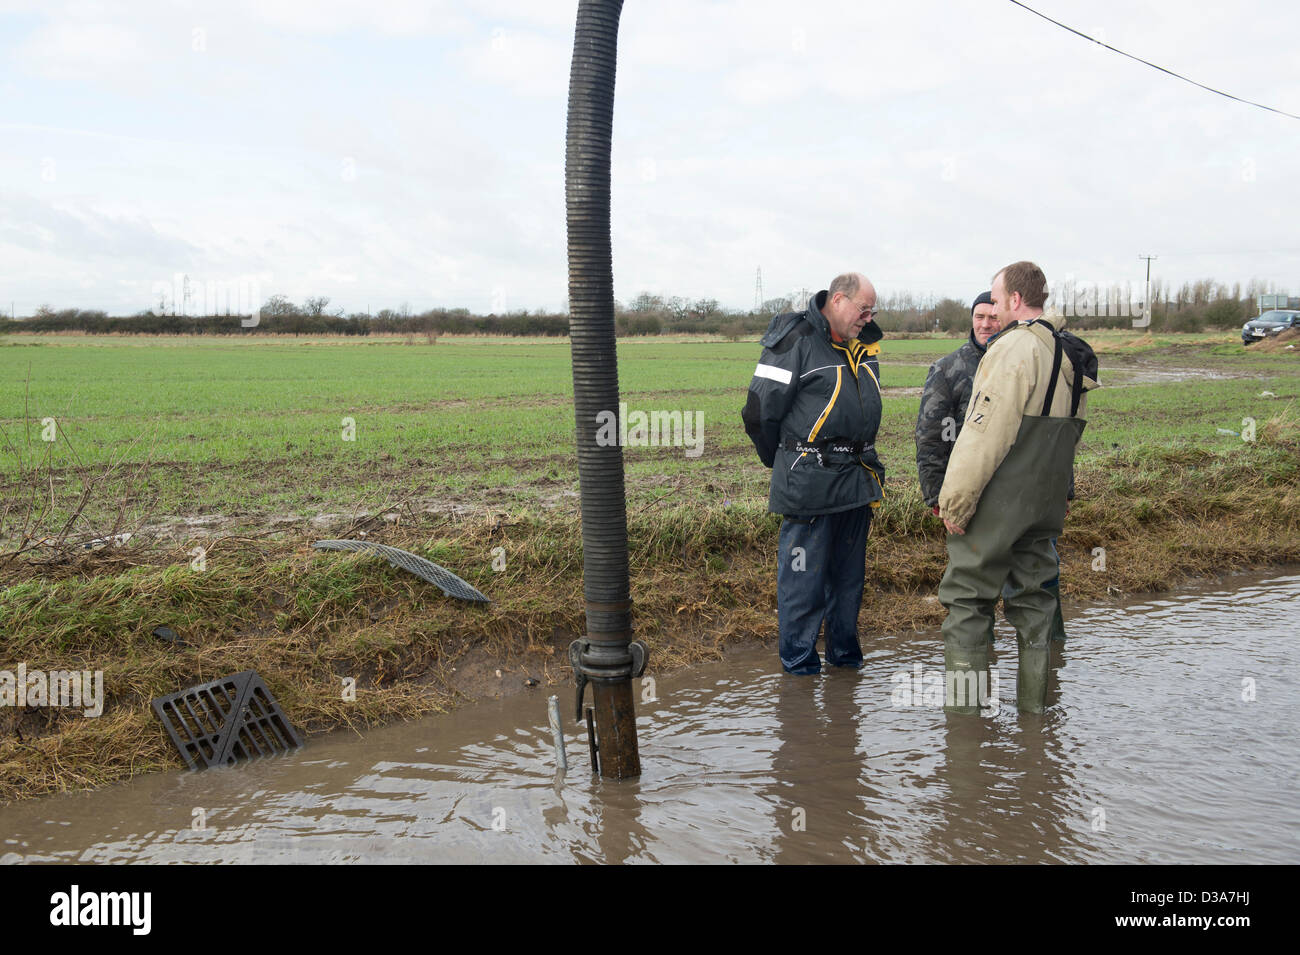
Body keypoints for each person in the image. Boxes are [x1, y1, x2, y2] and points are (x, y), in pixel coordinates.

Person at [937, 262, 1097, 713]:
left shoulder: (1012, 350)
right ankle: (1036, 721)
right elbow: (1070, 434)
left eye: (996, 297)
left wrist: (955, 502)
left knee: (968, 601)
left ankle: (965, 730)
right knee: (1035, 602)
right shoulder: (1069, 352)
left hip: (999, 501)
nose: (992, 308)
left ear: (1013, 299)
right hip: (1045, 502)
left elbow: (984, 436)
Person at [742, 273, 886, 675]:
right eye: (863, 309)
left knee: (848, 586)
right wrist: (789, 461)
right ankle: (800, 676)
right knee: (803, 587)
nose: (868, 317)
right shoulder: (796, 340)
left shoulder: (865, 344)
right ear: (838, 300)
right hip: (809, 487)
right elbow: (758, 412)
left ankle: (846, 668)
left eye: (872, 311)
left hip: (855, 483)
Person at [916, 292, 1069, 644]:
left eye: (992, 316)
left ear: (1005, 315)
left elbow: (1055, 437)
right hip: (971, 495)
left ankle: (1045, 674)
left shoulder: (1034, 357)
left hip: (1028, 495)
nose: (985, 324)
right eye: (979, 317)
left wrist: (1063, 491)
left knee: (1036, 589)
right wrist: (938, 496)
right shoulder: (948, 368)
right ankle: (983, 676)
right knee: (971, 593)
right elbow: (930, 439)